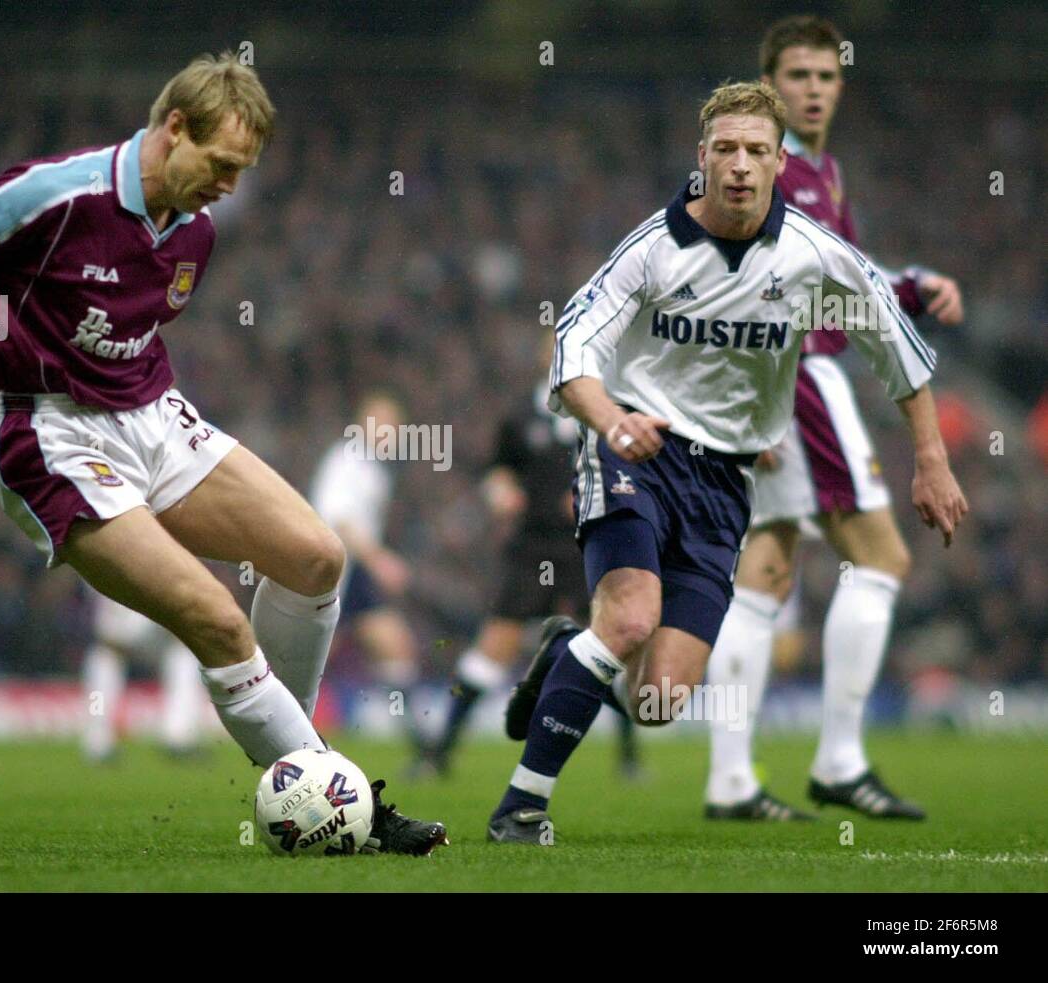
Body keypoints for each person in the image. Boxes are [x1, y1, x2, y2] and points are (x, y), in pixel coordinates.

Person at [0, 54, 445, 854]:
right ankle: (332, 793)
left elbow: (133, 338)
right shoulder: (56, 193)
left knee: (318, 557)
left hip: (153, 417)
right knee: (217, 618)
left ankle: (294, 769)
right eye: (221, 164)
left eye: (242, 171)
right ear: (173, 128)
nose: (229, 185)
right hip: (52, 438)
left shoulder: (196, 231)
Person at [488, 80, 966, 845]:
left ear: (781, 162)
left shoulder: (815, 257)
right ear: (700, 156)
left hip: (725, 480)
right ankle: (521, 807)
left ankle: (563, 658)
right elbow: (574, 354)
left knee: (659, 701)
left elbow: (899, 349)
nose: (739, 165)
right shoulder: (651, 248)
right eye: (725, 149)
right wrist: (612, 421)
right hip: (633, 451)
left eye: (755, 152)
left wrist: (931, 463)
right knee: (631, 616)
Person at [703, 15, 967, 821]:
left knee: (765, 572)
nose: (813, 89)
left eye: (826, 76)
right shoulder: (768, 172)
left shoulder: (824, 173)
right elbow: (733, 275)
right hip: (801, 375)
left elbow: (854, 274)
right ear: (769, 88)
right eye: (797, 77)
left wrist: (911, 283)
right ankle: (841, 760)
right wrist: (756, 402)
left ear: (839, 84)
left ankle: (730, 781)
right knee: (881, 557)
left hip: (789, 379)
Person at [414, 332, 639, 779]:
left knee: (606, 644)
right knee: (492, 649)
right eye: (554, 353)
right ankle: (438, 753)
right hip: (532, 548)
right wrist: (499, 489)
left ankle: (629, 760)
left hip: (586, 546)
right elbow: (497, 468)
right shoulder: (520, 419)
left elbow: (633, 472)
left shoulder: (604, 416)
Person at [309, 392, 420, 702]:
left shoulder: (372, 467)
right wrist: (380, 560)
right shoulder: (348, 461)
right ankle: (267, 719)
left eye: (395, 426)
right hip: (329, 571)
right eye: (384, 424)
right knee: (312, 658)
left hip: (351, 570)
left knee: (395, 645)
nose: (392, 432)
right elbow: (339, 519)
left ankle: (423, 743)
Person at [82, 590, 208, 763]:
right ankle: (178, 736)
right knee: (182, 653)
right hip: (149, 591)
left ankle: (98, 741)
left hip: (126, 591)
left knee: (106, 653)